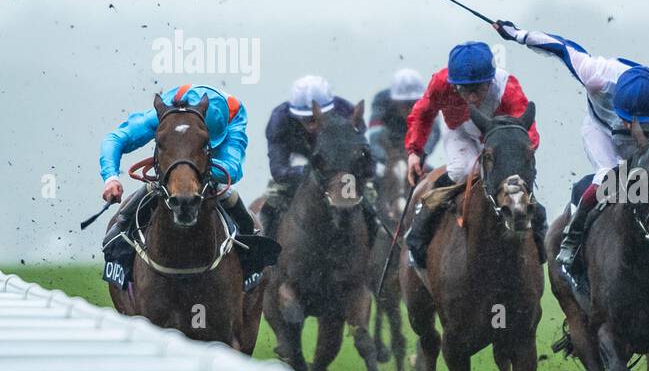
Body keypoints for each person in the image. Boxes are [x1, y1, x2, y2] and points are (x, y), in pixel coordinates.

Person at [491, 20, 649, 293]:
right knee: (607, 176)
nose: (630, 124)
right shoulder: (595, 73)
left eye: (639, 118)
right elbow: (560, 47)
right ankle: (572, 238)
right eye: (628, 116)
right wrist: (517, 35)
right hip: (601, 131)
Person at [403, 41, 543, 268]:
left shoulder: (508, 88)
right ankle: (421, 222)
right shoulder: (440, 83)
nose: (472, 97)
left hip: (501, 140)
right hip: (460, 131)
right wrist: (414, 151)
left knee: (512, 176)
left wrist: (516, 159)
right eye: (464, 89)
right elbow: (423, 113)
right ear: (452, 83)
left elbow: (528, 136)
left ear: (491, 79)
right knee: (463, 170)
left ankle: (539, 232)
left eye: (478, 89)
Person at [99, 82, 256, 243]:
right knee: (155, 186)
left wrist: (186, 166)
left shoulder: (234, 115)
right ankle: (120, 234)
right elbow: (116, 139)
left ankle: (250, 247)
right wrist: (111, 178)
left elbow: (233, 170)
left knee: (227, 192)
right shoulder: (169, 110)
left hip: (208, 157)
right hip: (177, 151)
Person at [259, 75, 364, 241]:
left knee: (370, 201)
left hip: (340, 170)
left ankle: (381, 257)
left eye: (316, 119)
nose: (312, 125)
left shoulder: (347, 112)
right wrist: (313, 173)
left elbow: (360, 158)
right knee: (270, 204)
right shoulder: (279, 119)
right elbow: (279, 170)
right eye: (306, 119)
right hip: (299, 167)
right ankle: (265, 257)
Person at [369, 68, 437, 172]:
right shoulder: (381, 101)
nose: (410, 109)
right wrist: (386, 158)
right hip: (388, 144)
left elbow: (433, 134)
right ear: (394, 101)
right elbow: (374, 136)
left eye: (414, 103)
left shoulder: (429, 101)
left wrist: (418, 155)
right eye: (405, 104)